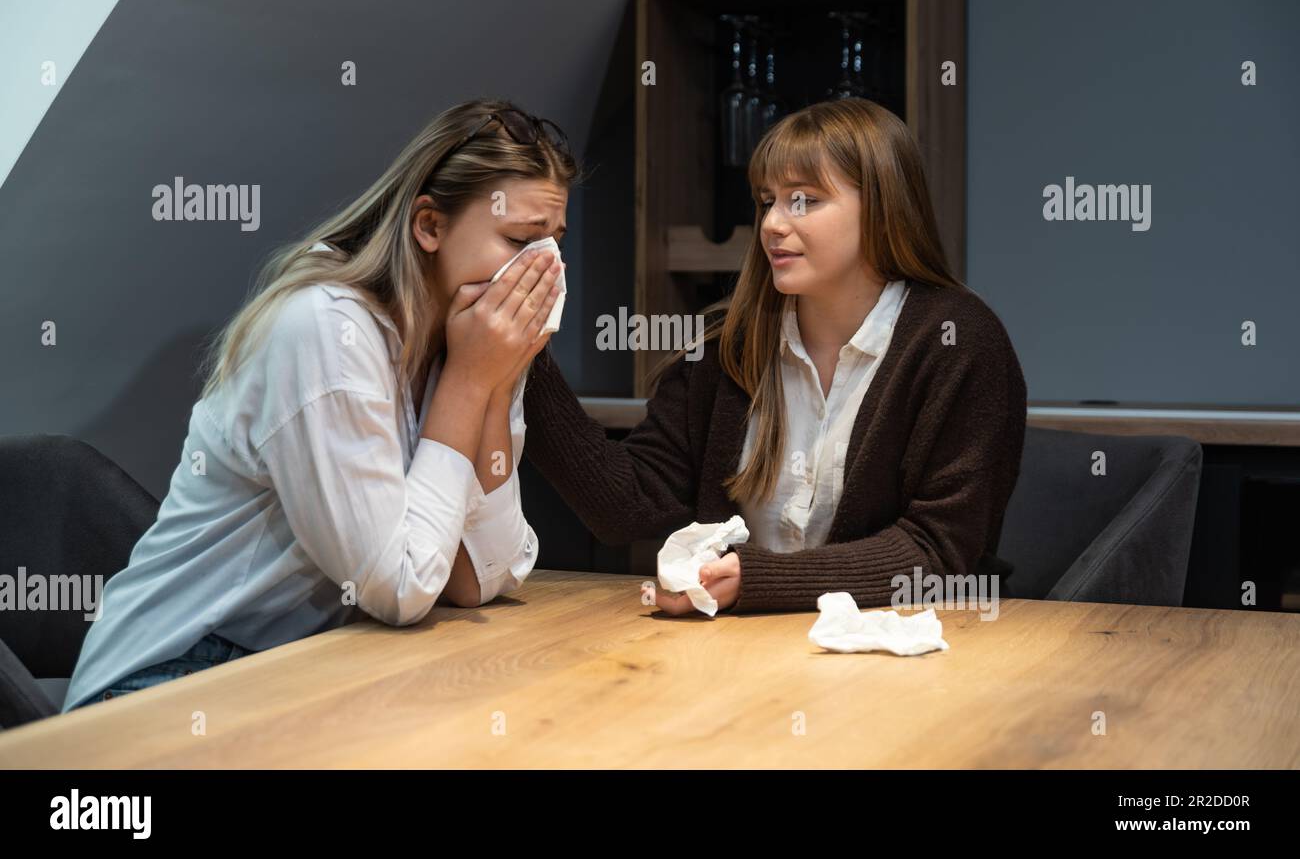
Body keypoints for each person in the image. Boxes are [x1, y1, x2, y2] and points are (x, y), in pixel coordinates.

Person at [63, 99, 575, 710]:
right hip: (170, 677)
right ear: (430, 226)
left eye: (554, 241)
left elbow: (479, 579)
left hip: (304, 667)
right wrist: (468, 384)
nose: (544, 268)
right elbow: (404, 588)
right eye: (521, 239)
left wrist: (494, 383)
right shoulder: (326, 329)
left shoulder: (470, 340)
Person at [522, 97, 1026, 615]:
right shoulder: (727, 346)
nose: (772, 224)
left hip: (930, 647)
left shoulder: (959, 340)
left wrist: (757, 579)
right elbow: (627, 507)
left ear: (881, 207)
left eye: (804, 200)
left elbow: (938, 552)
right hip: (752, 651)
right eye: (768, 200)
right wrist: (520, 354)